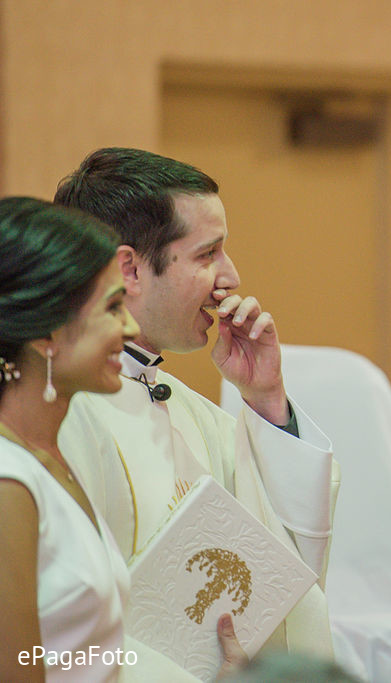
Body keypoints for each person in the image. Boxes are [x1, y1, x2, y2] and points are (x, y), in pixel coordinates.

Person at [53, 148, 341, 660]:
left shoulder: (192, 411)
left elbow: (285, 579)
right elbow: (55, 636)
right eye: (208, 255)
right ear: (129, 269)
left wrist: (267, 399)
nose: (230, 278)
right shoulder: (55, 416)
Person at [0, 197, 247, 682]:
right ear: (46, 334)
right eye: (113, 307)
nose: (131, 327)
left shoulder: (48, 461)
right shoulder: (10, 482)